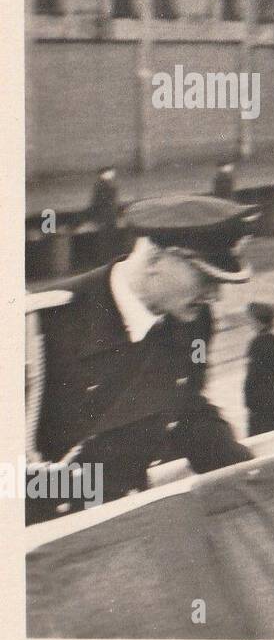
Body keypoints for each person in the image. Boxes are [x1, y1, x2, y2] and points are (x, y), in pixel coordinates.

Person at [25, 195, 258, 525]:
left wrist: (250, 473)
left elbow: (183, 408)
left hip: (129, 526)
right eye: (205, 279)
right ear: (154, 260)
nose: (214, 296)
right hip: (53, 536)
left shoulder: (193, 321)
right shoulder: (44, 325)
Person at [244, 301, 274, 435]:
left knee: (257, 438)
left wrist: (249, 398)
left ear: (259, 322)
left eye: (251, 320)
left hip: (258, 402)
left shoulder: (255, 344)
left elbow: (252, 375)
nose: (250, 323)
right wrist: (273, 386)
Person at [88, 166, 120, 262]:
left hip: (108, 217)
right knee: (106, 240)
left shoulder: (105, 185)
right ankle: (106, 260)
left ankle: (106, 259)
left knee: (108, 240)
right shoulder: (103, 186)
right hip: (106, 217)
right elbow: (97, 203)